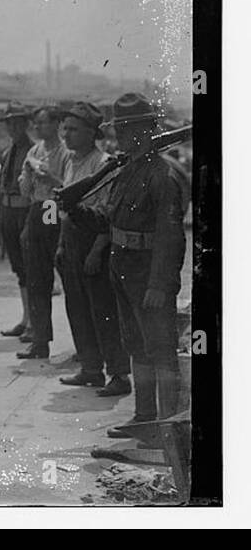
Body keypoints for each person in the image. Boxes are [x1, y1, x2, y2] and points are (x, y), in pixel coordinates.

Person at [65, 94, 186, 437]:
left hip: (148, 274)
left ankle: (167, 428)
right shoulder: (127, 170)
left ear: (146, 131)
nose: (122, 137)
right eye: (120, 130)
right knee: (137, 347)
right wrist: (75, 210)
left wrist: (159, 286)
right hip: (123, 268)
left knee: (160, 351)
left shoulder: (163, 176)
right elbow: (108, 220)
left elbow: (170, 237)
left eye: (129, 129)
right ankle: (144, 419)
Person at [53, 102, 130, 396]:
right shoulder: (72, 162)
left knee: (104, 311)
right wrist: (62, 244)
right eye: (66, 129)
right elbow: (65, 206)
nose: (67, 135)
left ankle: (119, 374)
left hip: (96, 241)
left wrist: (97, 252)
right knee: (77, 307)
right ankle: (91, 368)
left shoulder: (104, 164)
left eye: (73, 129)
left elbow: (108, 215)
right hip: (72, 238)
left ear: (91, 133)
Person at [15, 106, 67, 360]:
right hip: (38, 209)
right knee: (36, 278)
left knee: (70, 278)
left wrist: (50, 178)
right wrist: (27, 173)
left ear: (56, 124)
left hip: (55, 209)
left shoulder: (66, 152)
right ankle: (40, 340)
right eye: (36, 124)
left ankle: (86, 346)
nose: (38, 128)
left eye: (44, 123)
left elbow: (67, 185)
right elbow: (25, 191)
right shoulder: (34, 151)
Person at [0, 102, 34, 338]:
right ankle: (26, 319)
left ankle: (34, 324)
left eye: (18, 122)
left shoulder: (35, 151)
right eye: (10, 123)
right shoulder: (8, 153)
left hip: (25, 213)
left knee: (31, 268)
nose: (13, 127)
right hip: (7, 213)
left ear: (26, 124)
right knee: (19, 269)